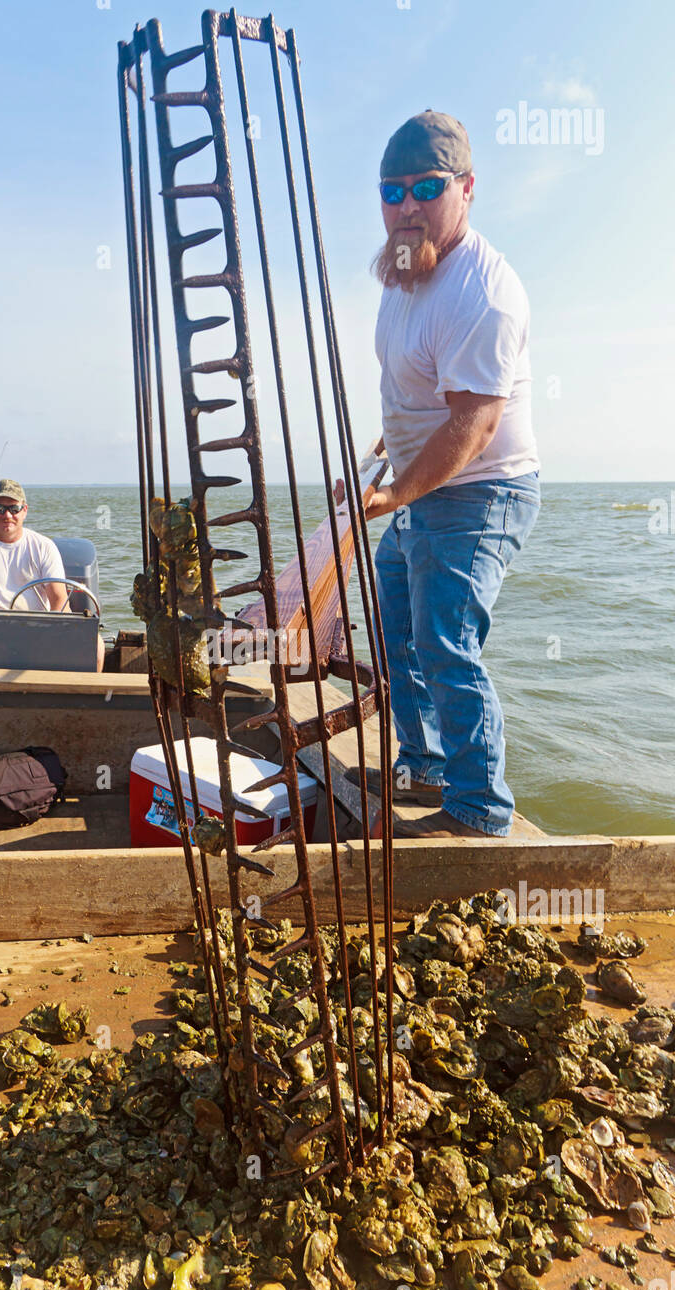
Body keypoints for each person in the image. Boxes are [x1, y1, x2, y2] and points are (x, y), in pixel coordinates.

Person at [355, 110, 541, 838]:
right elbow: (415, 387)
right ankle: (425, 762)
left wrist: (398, 490)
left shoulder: (482, 291)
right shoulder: (405, 270)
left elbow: (473, 424)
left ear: (466, 188)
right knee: (395, 623)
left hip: (479, 491)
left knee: (444, 639)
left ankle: (478, 808)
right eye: (391, 191)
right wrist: (384, 458)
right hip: (422, 484)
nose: (406, 207)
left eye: (426, 188)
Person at [0, 479, 104, 670]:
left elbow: (59, 599)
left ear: (25, 510)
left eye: (14, 508)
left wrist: (45, 637)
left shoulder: (44, 546)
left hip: (47, 624)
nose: (7, 515)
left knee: (98, 646)